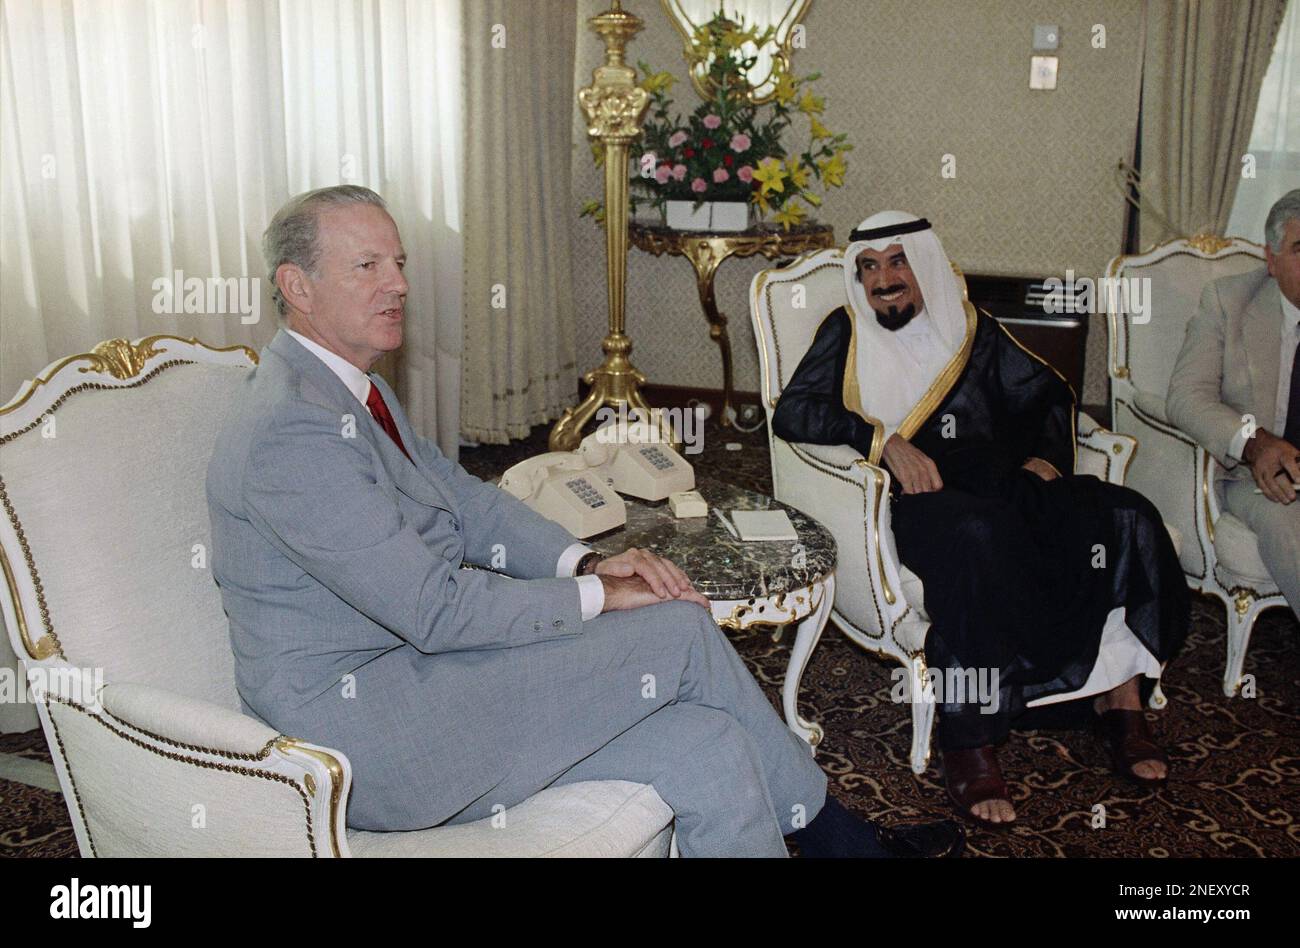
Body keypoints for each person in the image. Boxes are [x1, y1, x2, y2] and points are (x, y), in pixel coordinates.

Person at [206, 185, 962, 857]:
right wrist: (604, 599)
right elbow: (434, 609)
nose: (399, 284)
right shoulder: (292, 431)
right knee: (676, 626)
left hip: (424, 677)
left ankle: (838, 842)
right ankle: (847, 846)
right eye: (367, 266)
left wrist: (586, 565)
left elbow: (464, 501)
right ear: (296, 286)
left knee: (712, 745)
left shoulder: (352, 386)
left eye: (398, 262)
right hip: (369, 734)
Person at [772, 210, 1190, 828]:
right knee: (978, 540)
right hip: (919, 500)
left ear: (925, 267)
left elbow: (1045, 393)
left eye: (897, 262)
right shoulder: (847, 331)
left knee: (1124, 516)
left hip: (1002, 482)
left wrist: (1046, 458)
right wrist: (882, 439)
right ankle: (969, 739)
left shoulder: (968, 326)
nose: (883, 280)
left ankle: (1118, 693)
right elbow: (795, 412)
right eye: (868, 267)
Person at [1166, 189, 1300, 617]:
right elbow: (1188, 397)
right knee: (1288, 524)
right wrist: (1256, 443)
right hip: (1259, 476)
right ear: (1272, 258)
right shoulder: (1229, 302)